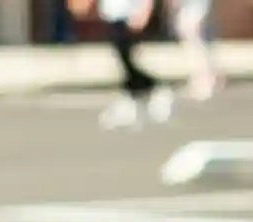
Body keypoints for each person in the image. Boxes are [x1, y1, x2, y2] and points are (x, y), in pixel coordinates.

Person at [69, 0, 175, 130]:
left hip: (127, 16)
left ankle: (153, 87)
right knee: (123, 59)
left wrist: (144, 11)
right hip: (112, 15)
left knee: (125, 58)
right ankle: (135, 97)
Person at [171, 0, 226, 101]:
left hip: (194, 7)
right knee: (196, 43)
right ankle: (207, 79)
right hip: (193, 7)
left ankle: (204, 83)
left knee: (195, 43)